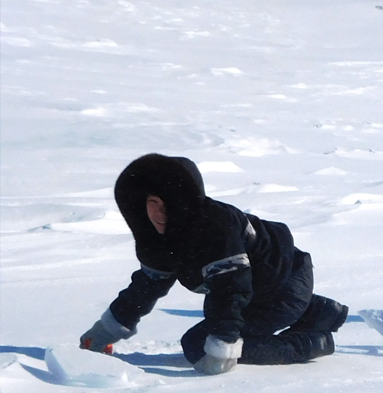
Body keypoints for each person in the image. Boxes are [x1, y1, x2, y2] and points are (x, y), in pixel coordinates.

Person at [79, 154, 347, 375]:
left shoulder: (215, 230)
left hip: (283, 283)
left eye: (167, 204)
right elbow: (146, 287)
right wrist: (104, 332)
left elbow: (232, 290)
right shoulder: (159, 238)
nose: (158, 213)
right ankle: (320, 312)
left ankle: (312, 342)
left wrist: (223, 349)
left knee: (197, 343)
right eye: (153, 203)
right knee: (215, 316)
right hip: (270, 284)